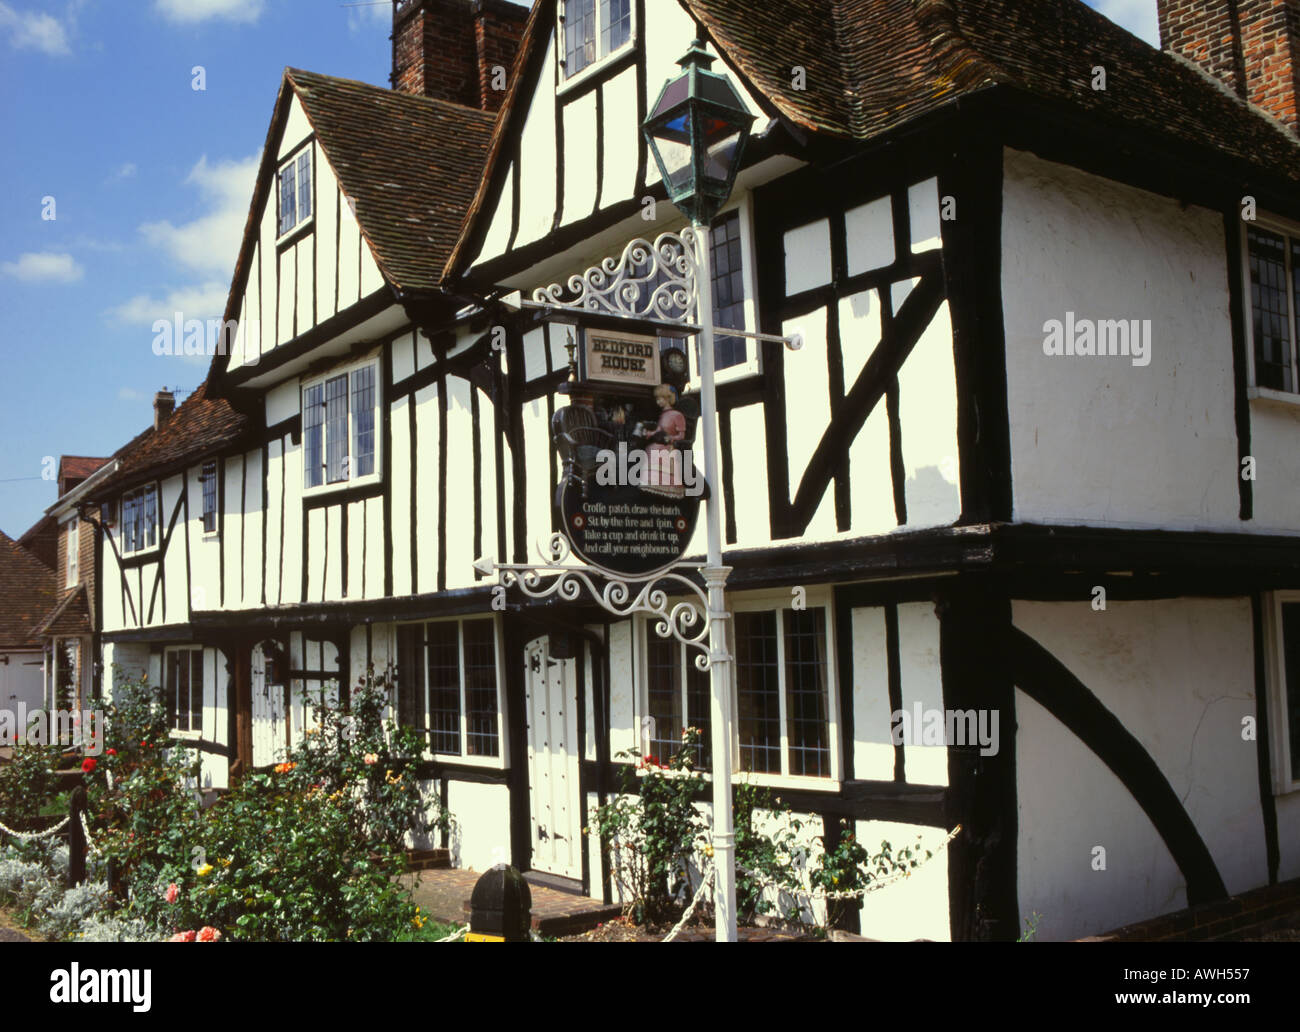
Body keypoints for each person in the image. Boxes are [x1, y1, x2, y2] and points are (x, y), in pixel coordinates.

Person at [641, 383, 687, 498]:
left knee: (655, 450)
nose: (658, 402)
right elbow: (659, 430)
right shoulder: (663, 415)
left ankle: (665, 484)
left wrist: (670, 438)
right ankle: (652, 482)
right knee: (650, 448)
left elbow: (681, 435)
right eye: (657, 399)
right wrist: (649, 433)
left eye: (660, 399)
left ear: (667, 398)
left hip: (669, 446)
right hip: (660, 444)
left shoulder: (677, 415)